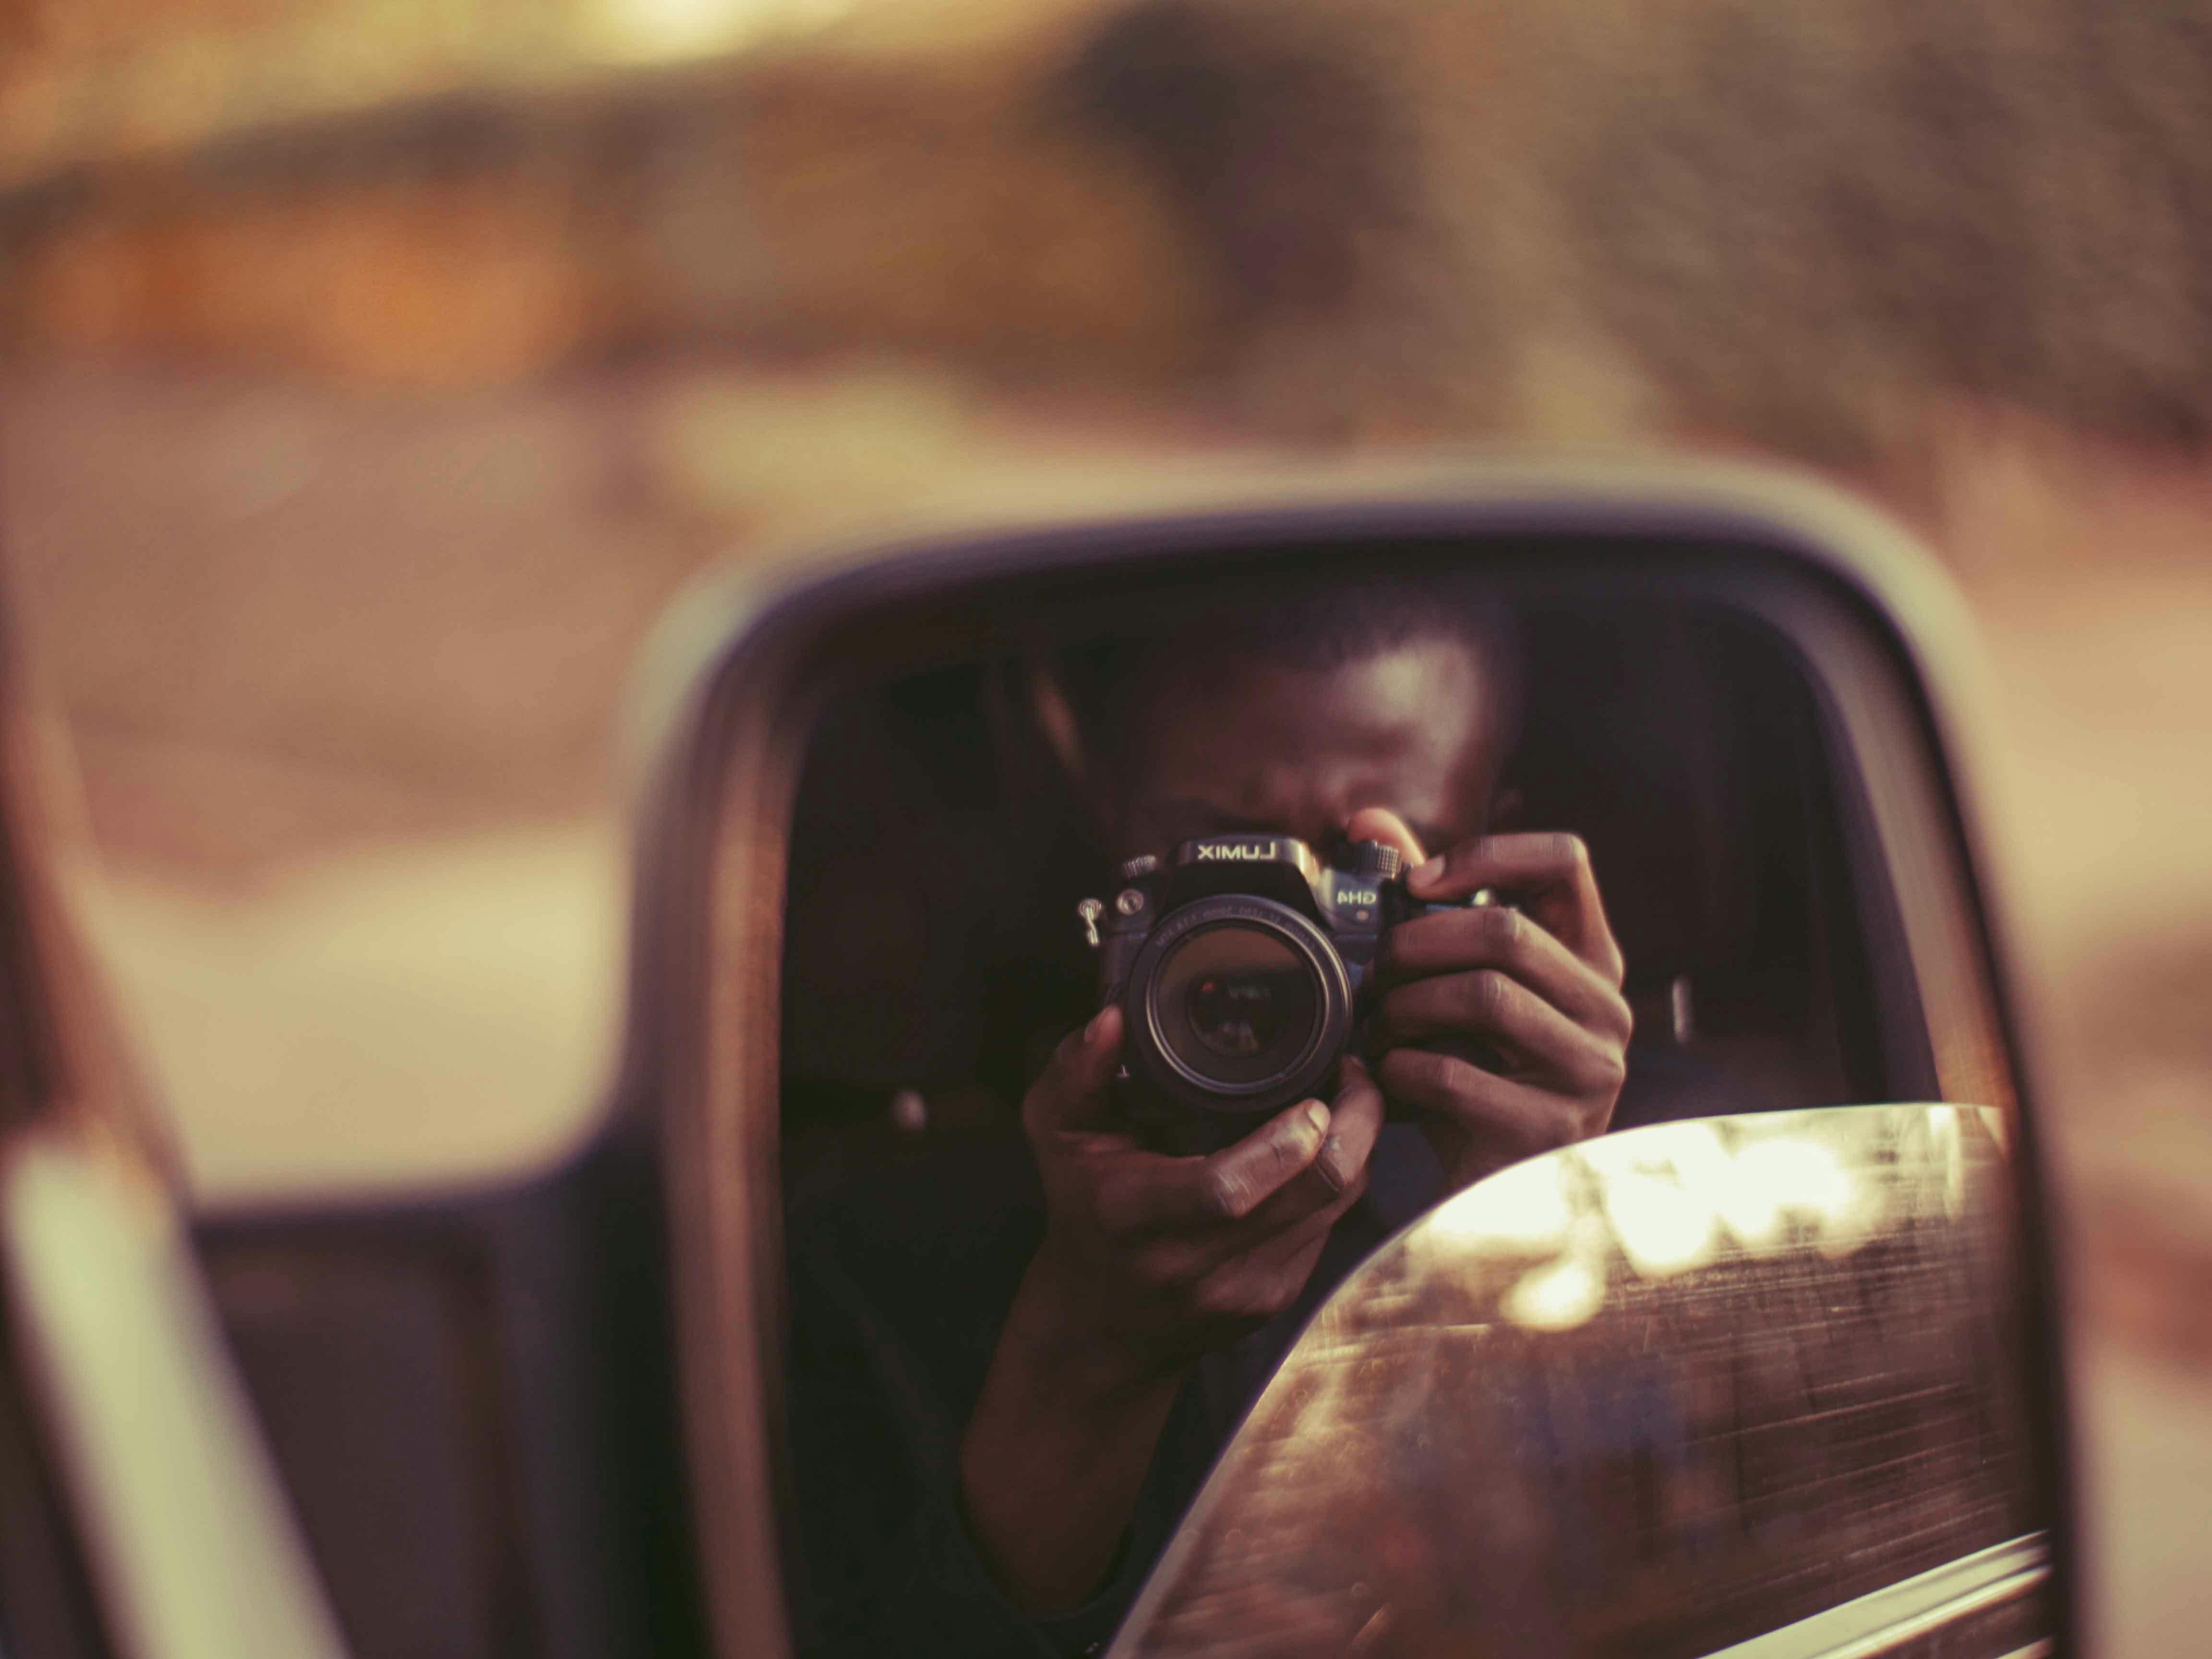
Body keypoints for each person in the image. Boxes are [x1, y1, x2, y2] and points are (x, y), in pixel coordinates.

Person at [781, 579, 1659, 1658]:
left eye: (1364, 873)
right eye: (1223, 856)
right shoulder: (857, 1265)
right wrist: (1088, 1351)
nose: (1280, 949)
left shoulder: (1577, 1179)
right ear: (1109, 816)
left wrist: (1531, 1234)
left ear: (1482, 866)